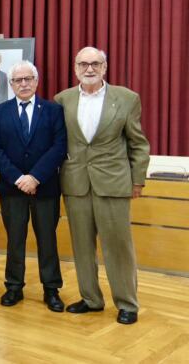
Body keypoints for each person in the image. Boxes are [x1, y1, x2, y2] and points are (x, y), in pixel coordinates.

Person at [55, 47, 150, 325]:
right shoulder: (62, 100)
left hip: (113, 184)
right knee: (82, 246)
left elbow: (138, 143)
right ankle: (91, 299)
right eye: (83, 64)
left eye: (95, 63)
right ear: (75, 68)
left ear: (105, 67)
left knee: (118, 246)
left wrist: (137, 179)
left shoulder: (126, 98)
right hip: (76, 184)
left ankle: (127, 303)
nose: (89, 69)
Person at [0, 60, 67, 311]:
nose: (23, 84)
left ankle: (51, 289)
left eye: (28, 79)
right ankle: (13, 286)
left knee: (47, 239)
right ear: (10, 85)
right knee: (15, 240)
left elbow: (59, 147)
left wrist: (35, 177)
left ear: (36, 81)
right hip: (12, 189)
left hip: (45, 188)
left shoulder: (53, 111)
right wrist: (19, 178)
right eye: (18, 80)